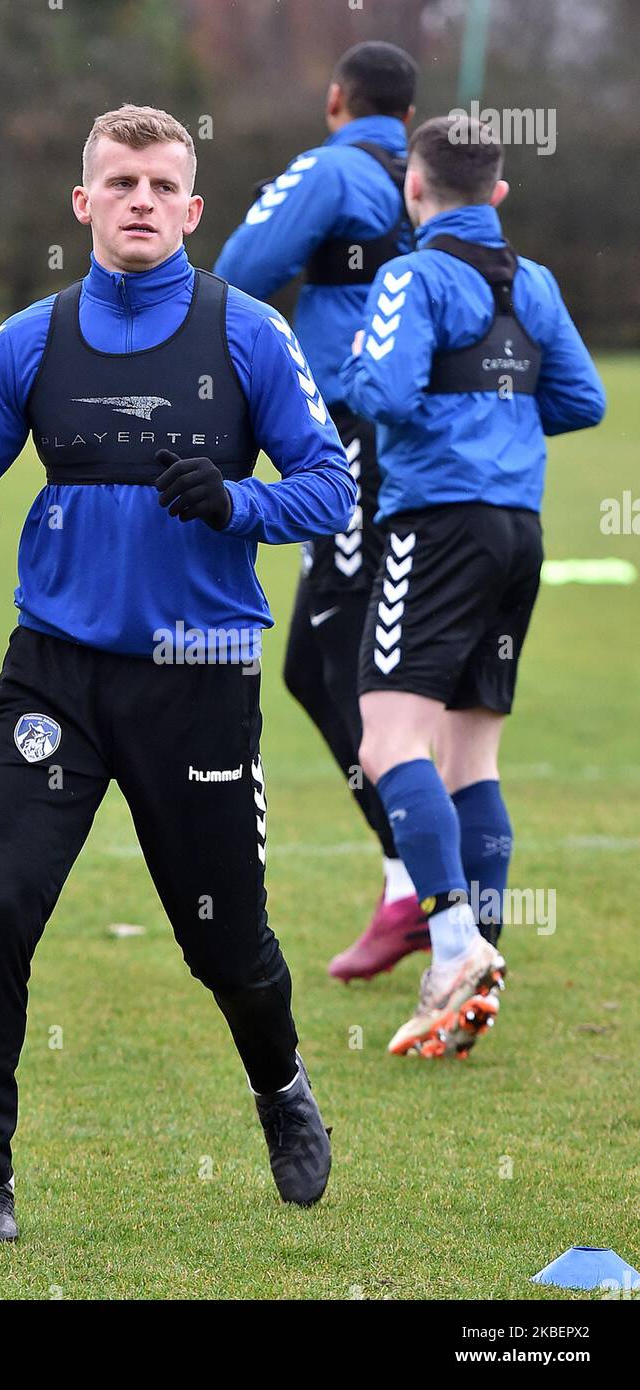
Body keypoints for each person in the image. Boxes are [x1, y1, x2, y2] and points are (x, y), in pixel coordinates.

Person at [0, 105, 357, 1240]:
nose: (141, 201)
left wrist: (239, 500)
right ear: (84, 203)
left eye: (162, 184)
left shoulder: (248, 333)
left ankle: (281, 1091)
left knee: (225, 944)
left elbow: (329, 487)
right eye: (120, 183)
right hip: (54, 676)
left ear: (193, 209)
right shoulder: (30, 340)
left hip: (197, 674)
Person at [341, 115, 606, 1057]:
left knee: (386, 741)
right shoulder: (532, 282)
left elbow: (384, 393)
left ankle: (453, 945)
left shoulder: (410, 276)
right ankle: (476, 958)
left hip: (435, 526)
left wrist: (384, 382)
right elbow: (582, 400)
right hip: (518, 531)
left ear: (415, 191)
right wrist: (497, 414)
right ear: (497, 194)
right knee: (470, 760)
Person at [215, 40, 431, 983]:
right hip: (433, 454)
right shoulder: (432, 179)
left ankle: (423, 886)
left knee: (322, 660)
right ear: (411, 118)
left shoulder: (332, 166)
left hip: (348, 434)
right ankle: (438, 894)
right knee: (400, 673)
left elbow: (240, 266)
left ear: (336, 98)